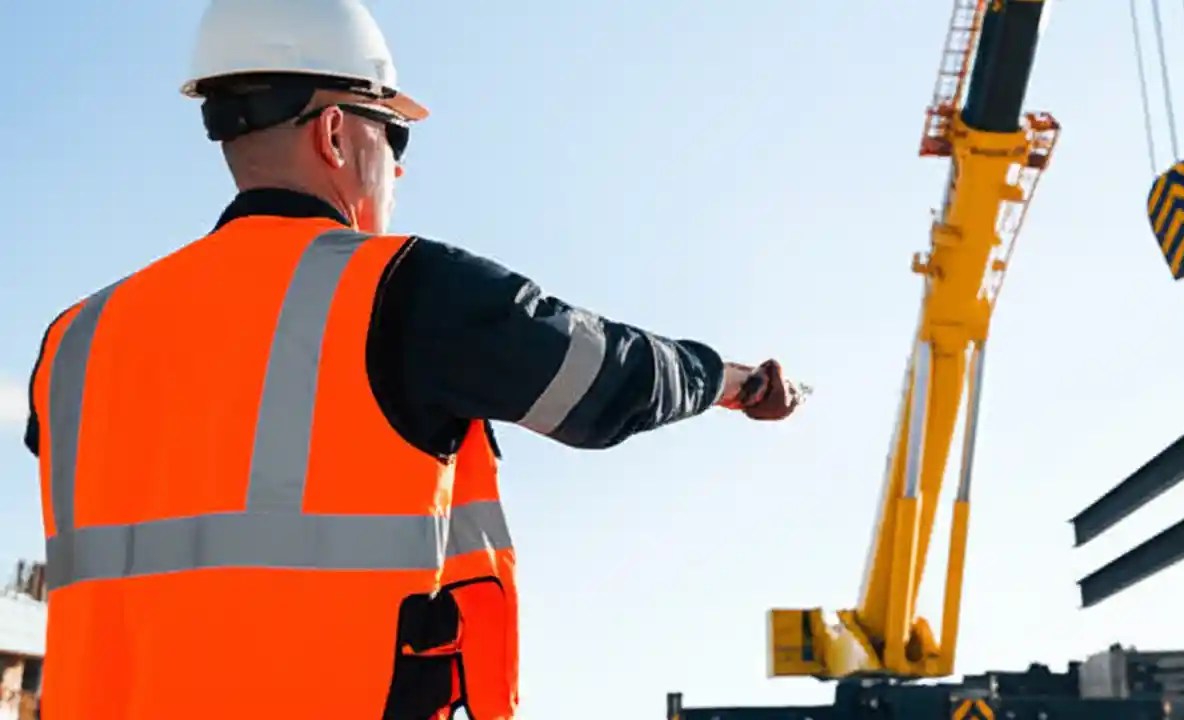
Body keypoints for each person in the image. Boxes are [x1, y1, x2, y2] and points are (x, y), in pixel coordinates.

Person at [22, 0, 805, 718]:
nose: (398, 169)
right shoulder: (403, 293)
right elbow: (607, 383)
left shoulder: (73, 342)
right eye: (392, 136)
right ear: (334, 133)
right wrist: (734, 383)